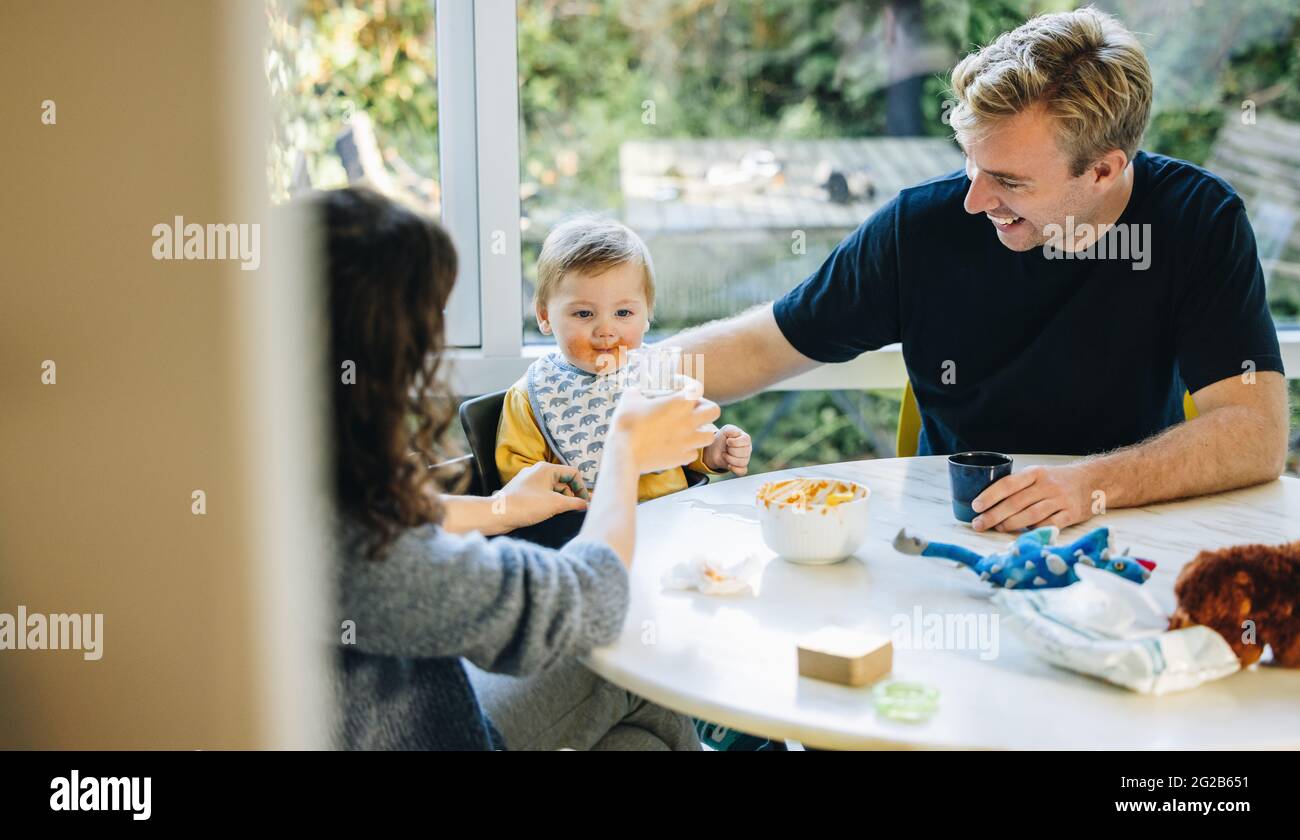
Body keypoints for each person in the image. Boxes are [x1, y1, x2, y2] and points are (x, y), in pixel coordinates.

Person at [669, 7, 1288, 534]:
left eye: (1010, 181)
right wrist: (594, 376)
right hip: (953, 527)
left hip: (1131, 525)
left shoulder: (1197, 221)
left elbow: (1253, 432)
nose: (974, 200)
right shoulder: (921, 227)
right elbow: (761, 346)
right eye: (972, 164)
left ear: (1102, 170)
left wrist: (1088, 487)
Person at [321, 186, 716, 750]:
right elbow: (589, 604)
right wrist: (623, 451)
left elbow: (373, 518)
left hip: (398, 718)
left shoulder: (264, 465)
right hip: (442, 735)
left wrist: (496, 508)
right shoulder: (374, 560)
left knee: (639, 744)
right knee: (629, 643)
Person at [496, 215, 752, 503]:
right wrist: (554, 493)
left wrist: (715, 450)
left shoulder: (656, 374)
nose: (606, 330)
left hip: (674, 520)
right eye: (583, 314)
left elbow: (685, 441)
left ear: (647, 315)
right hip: (585, 531)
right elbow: (518, 478)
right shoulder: (531, 395)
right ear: (544, 316)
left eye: (623, 313)